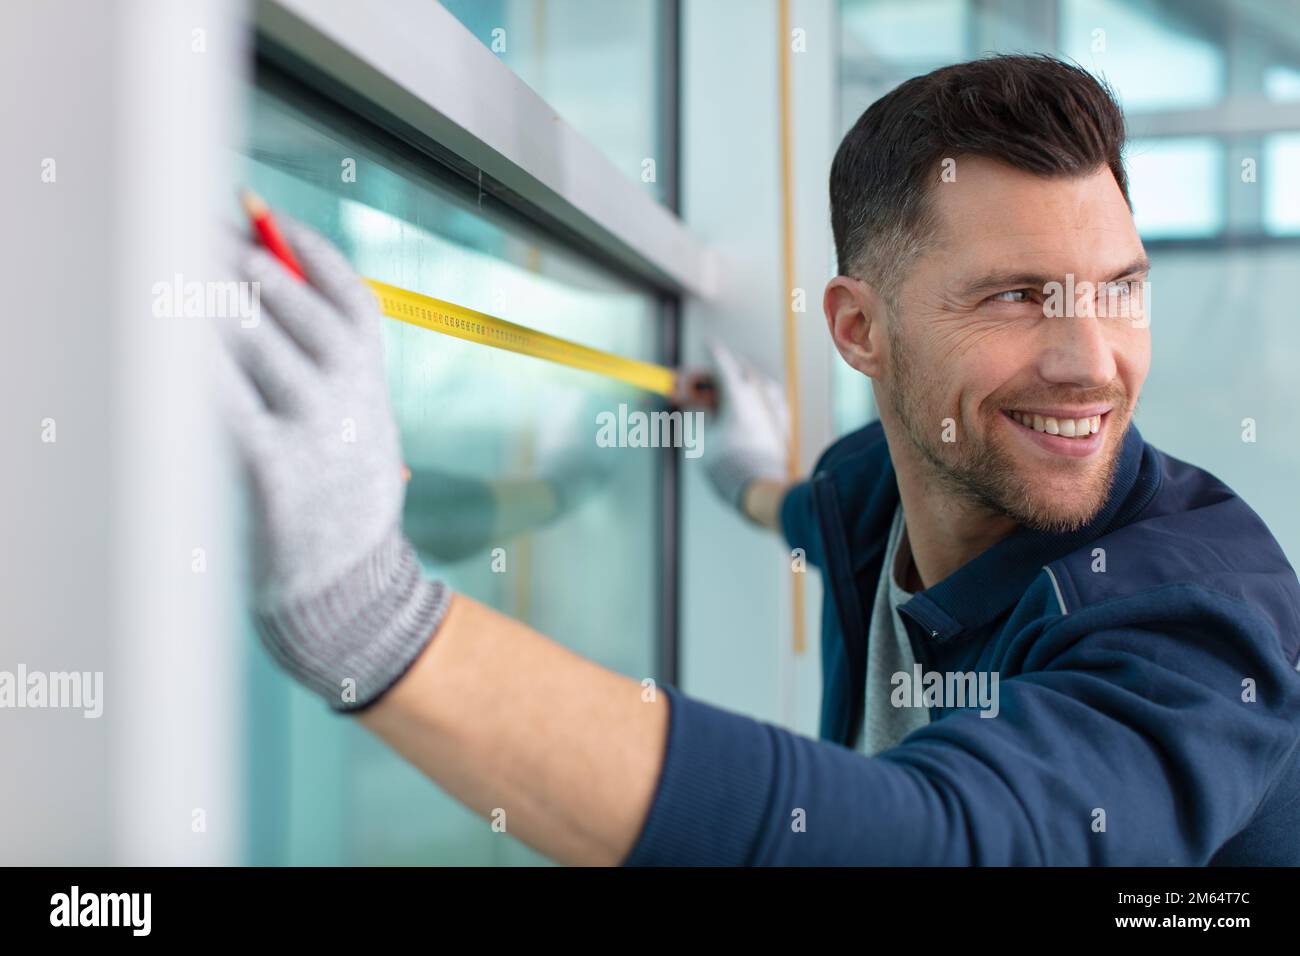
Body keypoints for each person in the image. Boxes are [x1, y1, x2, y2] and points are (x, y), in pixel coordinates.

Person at [218, 54, 1300, 865]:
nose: (1090, 361)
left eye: (1118, 288)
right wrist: (740, 473)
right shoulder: (880, 481)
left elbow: (945, 842)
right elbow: (808, 510)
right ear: (859, 330)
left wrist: (373, 618)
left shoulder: (1193, 619)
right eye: (1017, 295)